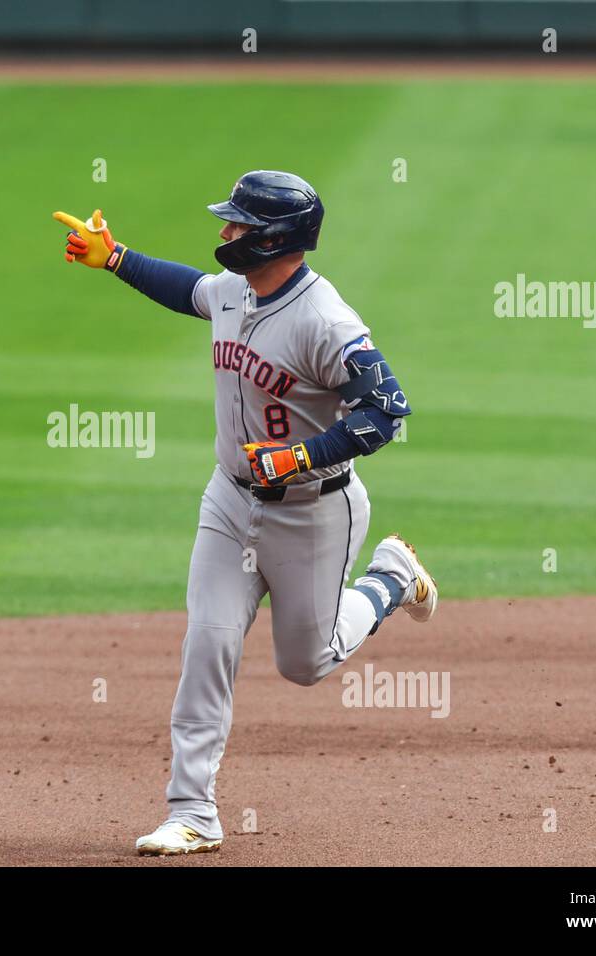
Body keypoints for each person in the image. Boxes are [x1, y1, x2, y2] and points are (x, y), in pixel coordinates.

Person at [53, 171, 439, 855]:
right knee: (209, 639)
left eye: (236, 225)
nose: (224, 233)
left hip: (313, 514)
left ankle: (390, 578)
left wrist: (298, 457)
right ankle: (192, 812)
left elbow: (388, 412)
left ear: (273, 239)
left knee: (306, 663)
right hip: (229, 502)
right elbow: (186, 289)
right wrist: (114, 257)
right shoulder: (234, 290)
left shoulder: (326, 321)